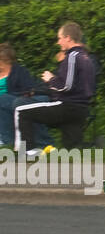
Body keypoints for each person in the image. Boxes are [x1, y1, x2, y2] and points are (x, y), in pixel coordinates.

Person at [15, 22, 98, 151]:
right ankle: (97, 148)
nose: (58, 42)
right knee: (72, 150)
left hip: (67, 107)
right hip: (81, 109)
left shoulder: (72, 56)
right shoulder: (86, 57)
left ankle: (26, 151)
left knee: (21, 111)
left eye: (60, 38)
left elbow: (66, 86)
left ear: (68, 38)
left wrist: (51, 79)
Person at [0, 43, 53, 149]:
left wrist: (9, 95)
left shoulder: (20, 72)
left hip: (13, 100)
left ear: (4, 60)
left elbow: (29, 91)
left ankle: (7, 141)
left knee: (2, 99)